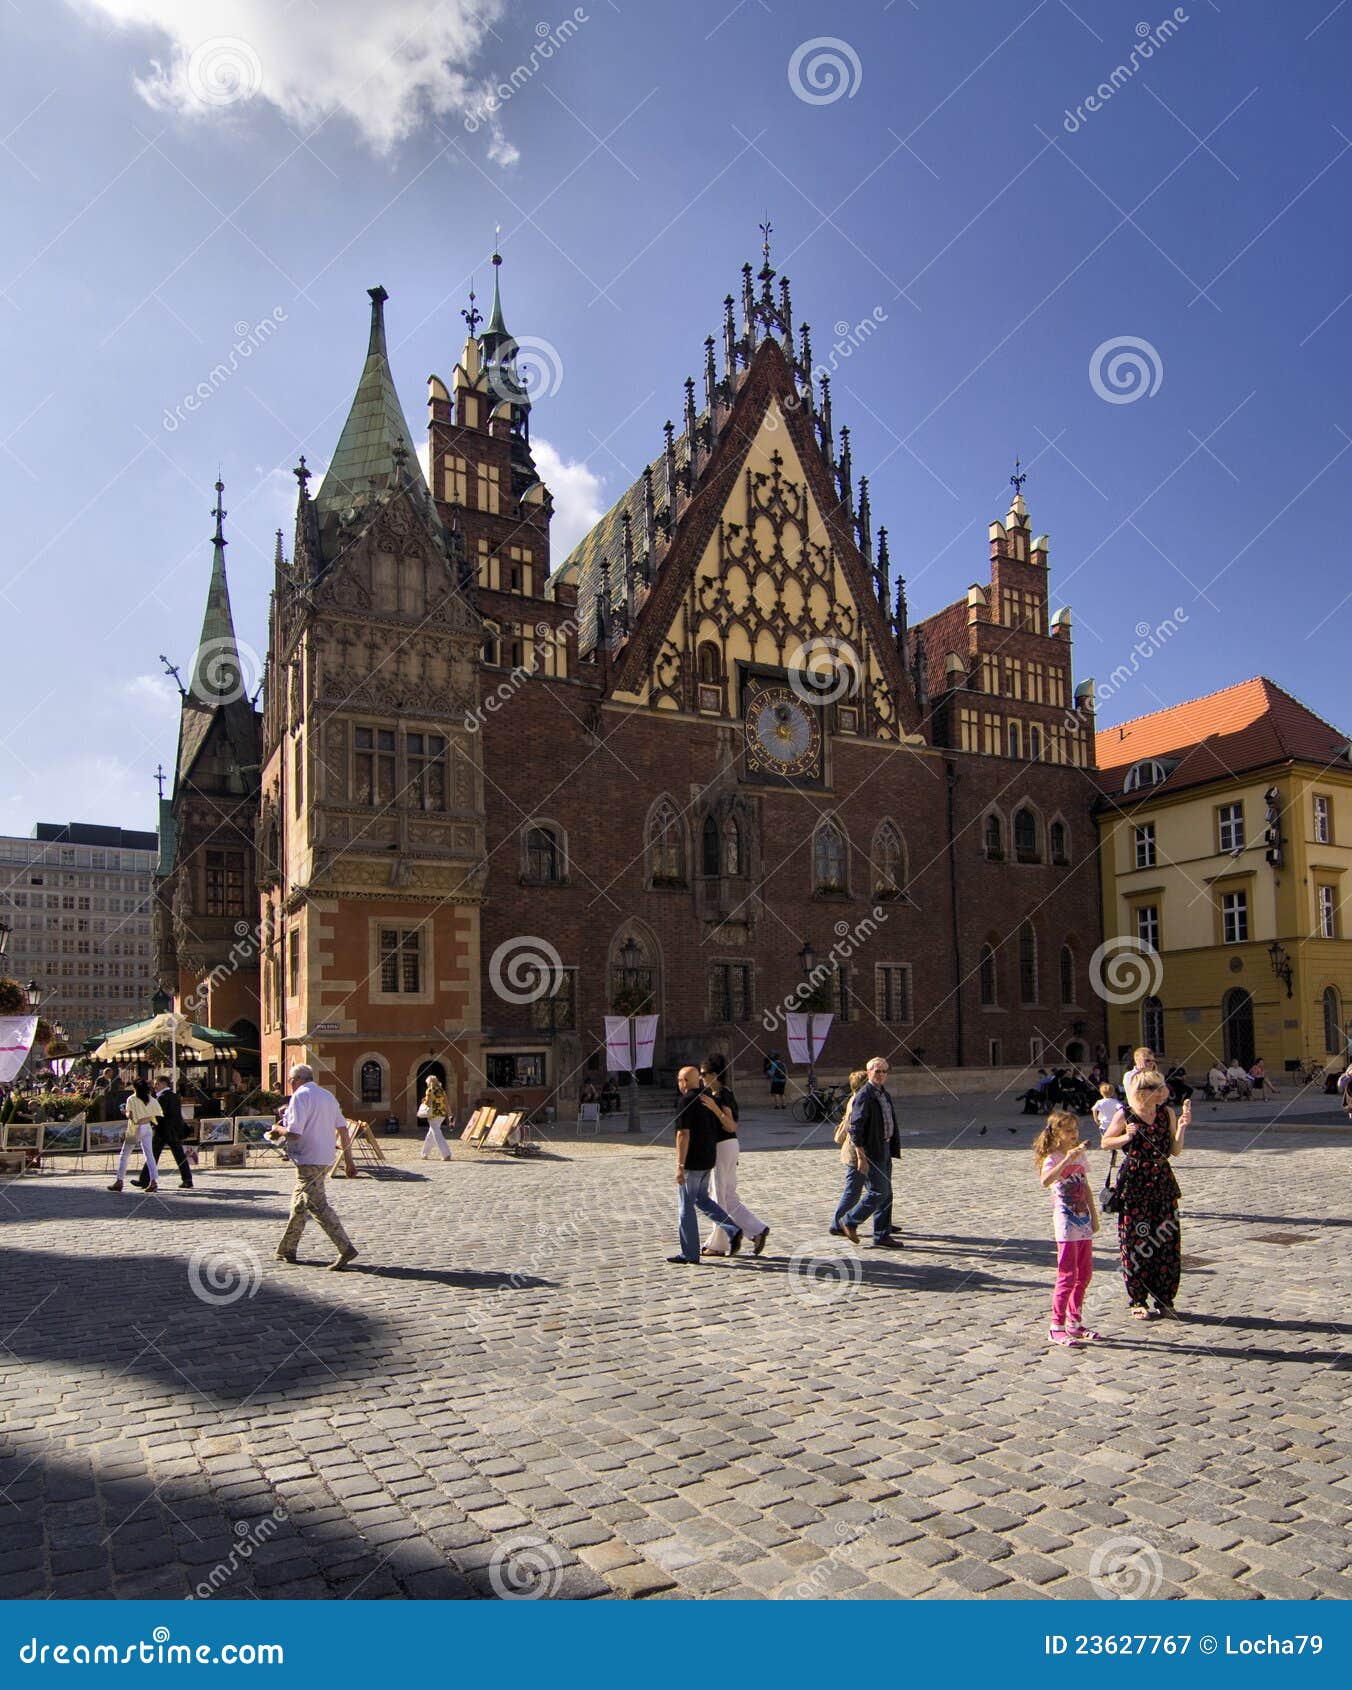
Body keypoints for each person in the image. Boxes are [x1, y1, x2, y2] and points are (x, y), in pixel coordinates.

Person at [1101, 1071, 1189, 1319]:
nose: (1163, 1093)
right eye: (1158, 1089)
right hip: (1135, 1183)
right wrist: (1126, 1137)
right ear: (1143, 1092)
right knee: (1135, 1241)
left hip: (1162, 1182)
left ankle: (1165, 1298)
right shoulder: (1126, 1114)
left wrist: (1181, 1128)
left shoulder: (1166, 1113)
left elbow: (1175, 1150)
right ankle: (1138, 1299)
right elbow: (1105, 1142)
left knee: (1167, 1242)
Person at [269, 1064, 358, 1269]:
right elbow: (343, 1130)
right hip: (324, 1157)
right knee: (300, 1203)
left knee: (318, 1205)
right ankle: (287, 1249)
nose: (290, 1084)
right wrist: (349, 1161)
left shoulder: (301, 1096)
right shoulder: (327, 1095)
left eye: (291, 1080)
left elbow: (294, 1133)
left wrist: (277, 1129)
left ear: (297, 1079)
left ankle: (345, 1248)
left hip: (308, 1158)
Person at [1035, 1108, 1100, 1347]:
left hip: (1082, 1219)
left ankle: (1074, 1322)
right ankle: (1056, 1326)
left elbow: (1085, 1186)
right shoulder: (1052, 1158)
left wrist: (1094, 1216)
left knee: (1085, 1273)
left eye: (1076, 1130)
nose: (1074, 1134)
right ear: (1057, 1134)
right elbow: (1046, 1181)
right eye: (1069, 1130)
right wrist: (1066, 1159)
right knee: (1067, 1274)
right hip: (1065, 1222)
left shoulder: (1080, 1157)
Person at [668, 1065, 741, 1264]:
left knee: (686, 1207)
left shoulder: (685, 1101)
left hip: (692, 1162)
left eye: (680, 1080)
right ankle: (732, 1229)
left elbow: (683, 1134)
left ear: (684, 1082)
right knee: (702, 1199)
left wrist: (679, 1165)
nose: (679, 1084)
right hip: (707, 1159)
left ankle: (690, 1253)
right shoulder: (707, 1099)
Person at [698, 1056, 770, 1258]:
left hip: (723, 1145)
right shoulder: (723, 1093)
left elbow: (730, 1125)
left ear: (714, 1075)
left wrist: (713, 1107)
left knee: (718, 1197)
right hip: (729, 1146)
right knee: (728, 1196)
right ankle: (756, 1230)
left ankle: (719, 1244)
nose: (701, 1078)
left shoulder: (720, 1095)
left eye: (703, 1074)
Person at [838, 1055, 903, 1248]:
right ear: (869, 1073)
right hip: (871, 1150)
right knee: (879, 1191)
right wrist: (860, 1155)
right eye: (877, 1071)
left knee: (887, 1193)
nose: (881, 1074)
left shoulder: (883, 1093)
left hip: (884, 1146)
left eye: (884, 1071)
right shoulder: (864, 1096)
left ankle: (882, 1234)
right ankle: (850, 1220)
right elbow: (855, 1128)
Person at [132, 1075, 193, 1190]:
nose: (155, 1086)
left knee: (153, 1155)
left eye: (157, 1084)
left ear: (164, 1084)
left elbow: (158, 1115)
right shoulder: (175, 1096)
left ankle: (144, 1180)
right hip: (174, 1131)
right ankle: (187, 1180)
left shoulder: (163, 1097)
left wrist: (148, 1124)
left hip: (162, 1131)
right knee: (179, 1156)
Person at [829, 1069, 870, 1237]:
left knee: (881, 1189)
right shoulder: (858, 1101)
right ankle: (837, 1223)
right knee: (853, 1190)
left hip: (865, 1152)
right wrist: (861, 1154)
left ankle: (885, 1222)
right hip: (856, 1153)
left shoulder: (858, 1099)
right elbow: (855, 1131)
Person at [108, 1078, 160, 1193]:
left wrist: (124, 1112)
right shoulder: (151, 1099)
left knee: (124, 1154)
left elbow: (130, 1116)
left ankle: (119, 1180)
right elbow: (155, 1114)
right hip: (147, 1127)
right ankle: (154, 1181)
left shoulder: (131, 1099)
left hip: (135, 1128)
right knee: (149, 1155)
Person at [417, 1073, 453, 1161]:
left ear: (429, 1082)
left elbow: (428, 1103)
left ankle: (446, 1154)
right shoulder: (441, 1090)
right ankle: (424, 1153)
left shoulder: (429, 1090)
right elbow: (447, 1103)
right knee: (431, 1134)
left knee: (437, 1134)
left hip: (433, 1115)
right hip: (441, 1115)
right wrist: (450, 1115)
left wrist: (424, 1101)